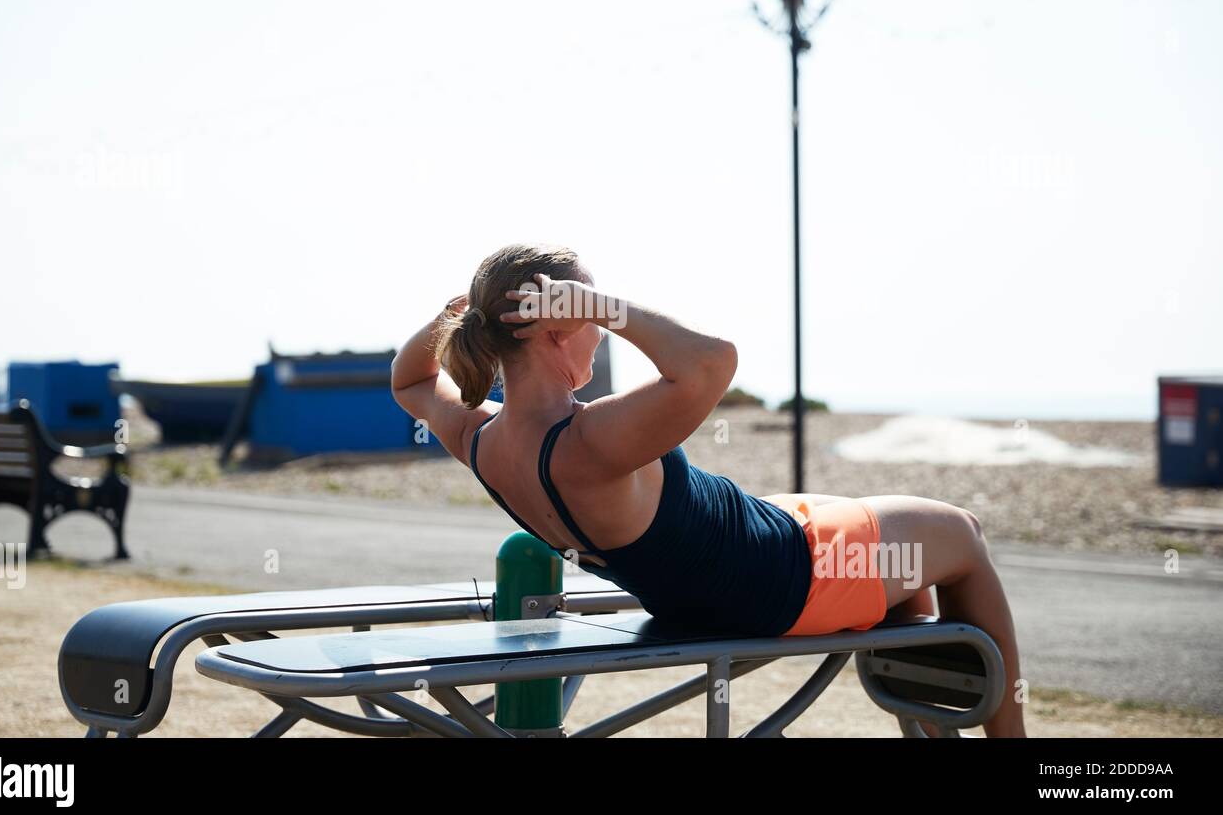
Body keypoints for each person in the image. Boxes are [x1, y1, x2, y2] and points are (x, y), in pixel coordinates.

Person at [391, 243, 1026, 737]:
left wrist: (455, 313)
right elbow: (714, 362)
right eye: (588, 313)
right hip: (790, 581)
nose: (601, 328)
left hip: (712, 583)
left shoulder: (482, 440)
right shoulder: (592, 442)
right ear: (560, 326)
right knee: (961, 531)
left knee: (858, 528)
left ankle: (926, 713)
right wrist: (608, 305)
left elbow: (410, 381)